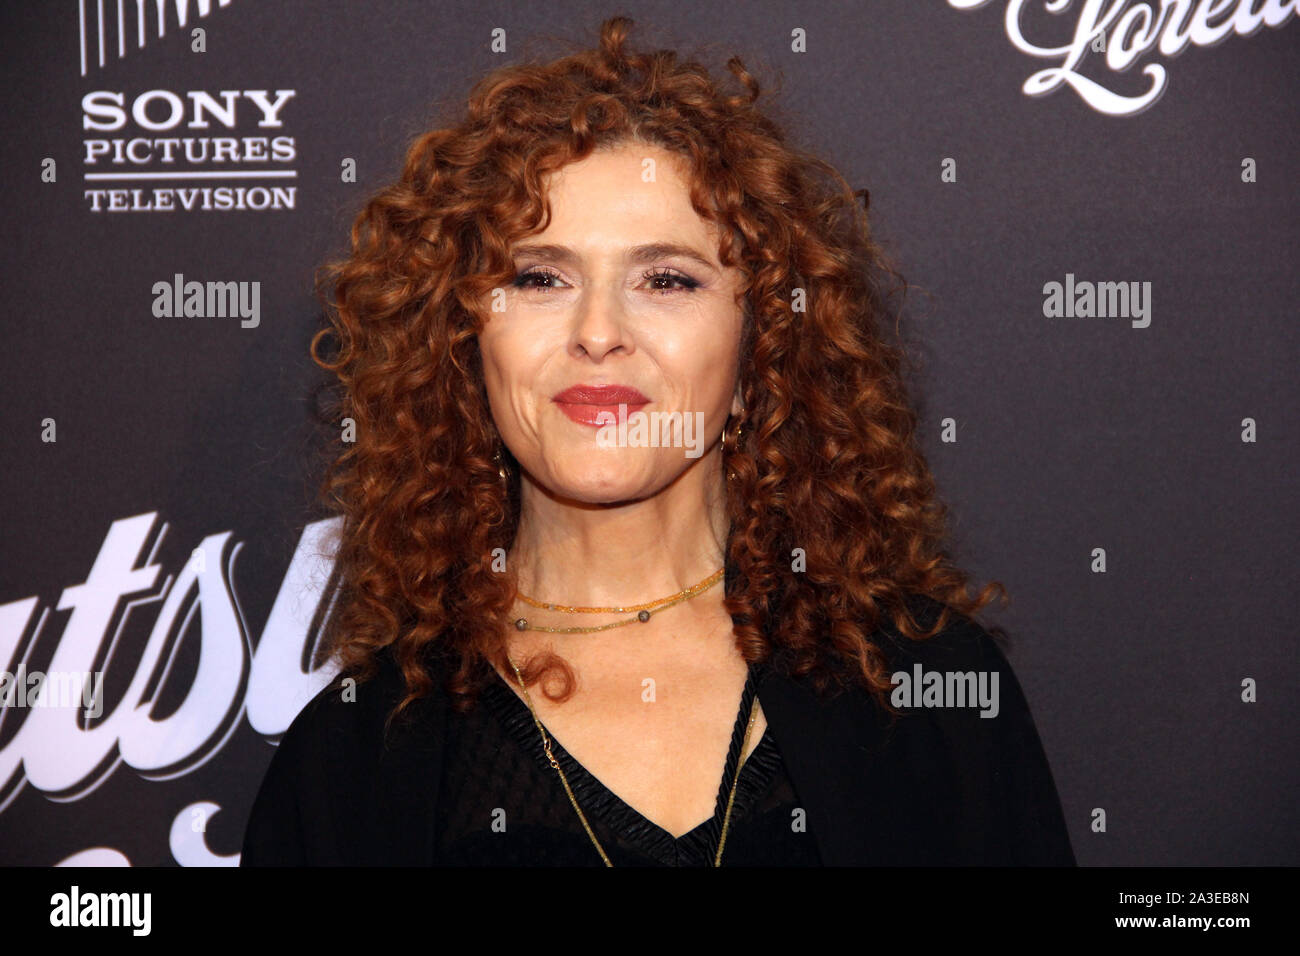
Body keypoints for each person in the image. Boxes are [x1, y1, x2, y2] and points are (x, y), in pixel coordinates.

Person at [241, 16, 1074, 867]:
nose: (598, 332)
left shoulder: (927, 692)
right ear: (465, 344)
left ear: (762, 347)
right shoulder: (352, 763)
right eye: (540, 277)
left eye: (667, 279)